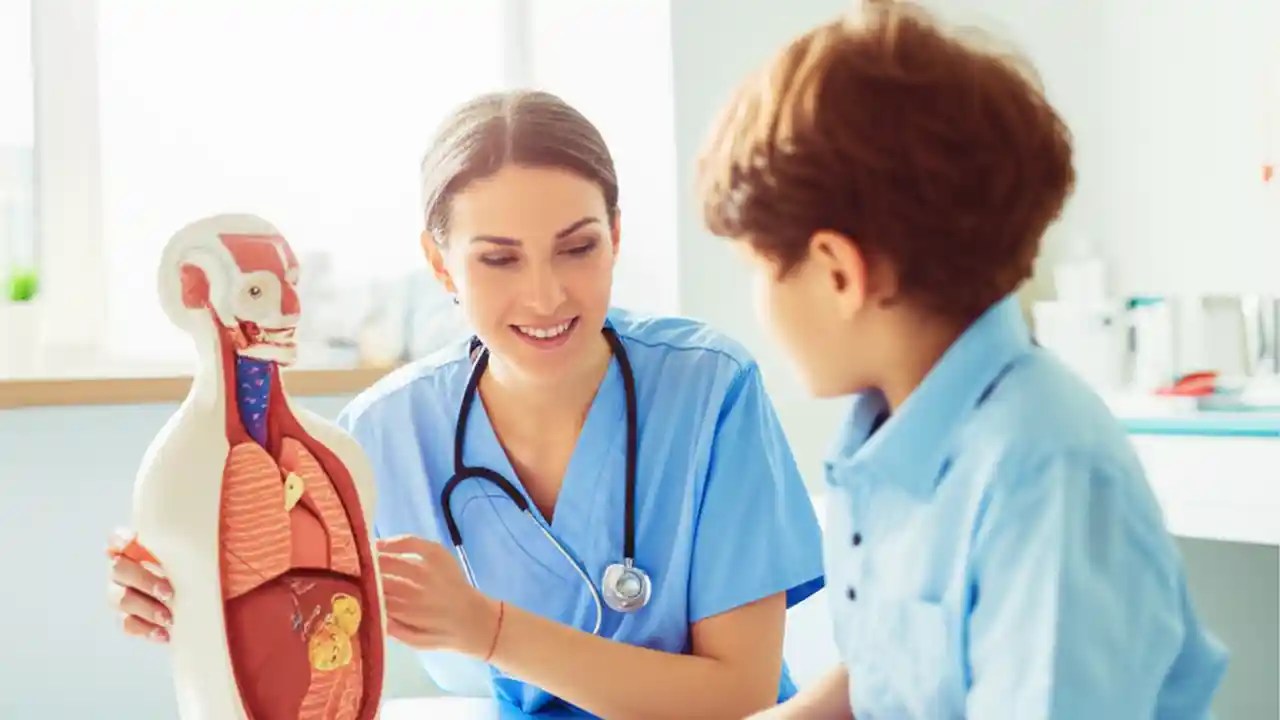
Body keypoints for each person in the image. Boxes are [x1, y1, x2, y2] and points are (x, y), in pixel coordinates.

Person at [106, 89, 826, 719]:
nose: (545, 296)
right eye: (499, 258)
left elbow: (742, 697)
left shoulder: (709, 391)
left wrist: (489, 629)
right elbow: (293, 621)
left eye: (577, 248)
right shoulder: (382, 435)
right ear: (437, 262)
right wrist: (189, 595)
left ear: (616, 236)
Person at [695, 3, 1229, 719]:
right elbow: (895, 667)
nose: (757, 301)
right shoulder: (893, 435)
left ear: (838, 273)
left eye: (758, 267)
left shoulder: (1045, 472)